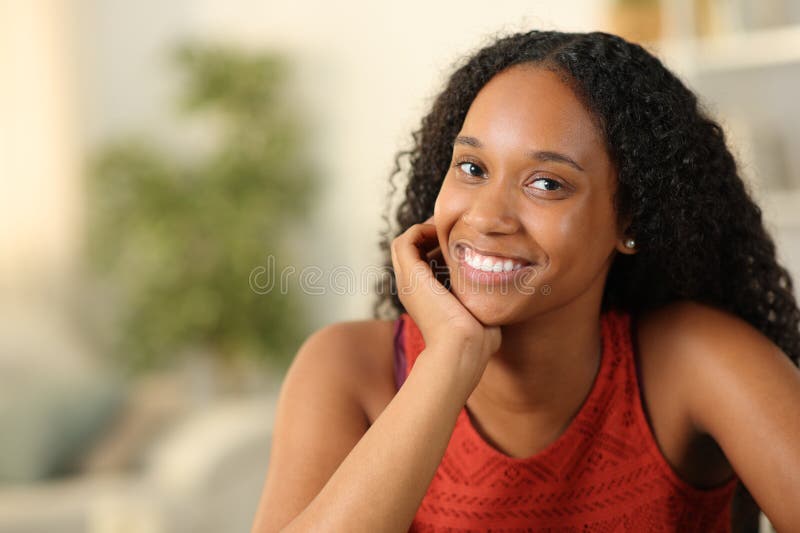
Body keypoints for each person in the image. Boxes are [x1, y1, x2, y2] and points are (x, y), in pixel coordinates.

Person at [251, 30, 800, 532]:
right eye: (472, 168)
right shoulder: (348, 368)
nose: (488, 217)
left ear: (630, 221)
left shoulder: (695, 361)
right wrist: (449, 360)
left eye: (546, 183)